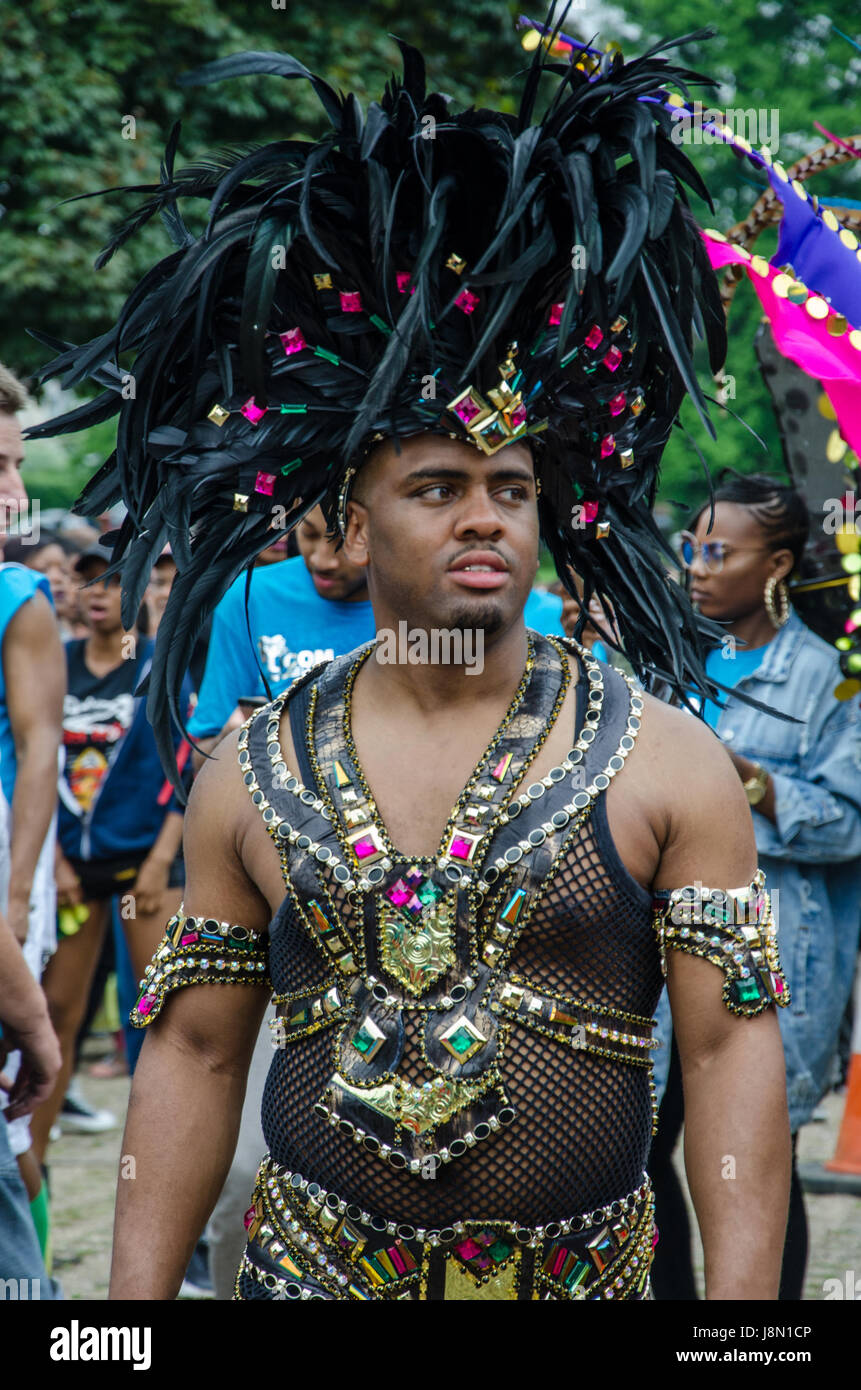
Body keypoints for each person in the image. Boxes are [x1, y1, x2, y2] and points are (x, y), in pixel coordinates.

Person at [31, 34, 792, 1302]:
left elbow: (726, 1052)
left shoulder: (667, 756)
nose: (484, 515)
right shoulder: (254, 769)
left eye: (510, 487)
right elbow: (200, 1058)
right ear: (349, 512)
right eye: (437, 487)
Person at [666, 470, 861, 1300]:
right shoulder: (668, 655)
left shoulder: (827, 678)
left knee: (758, 1160)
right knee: (639, 1149)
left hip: (769, 960)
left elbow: (849, 823)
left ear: (775, 565)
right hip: (657, 951)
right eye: (690, 549)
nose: (698, 568)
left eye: (719, 552)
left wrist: (748, 782)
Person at [28, 542, 191, 1163]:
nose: (100, 593)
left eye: (115, 582)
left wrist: (156, 865)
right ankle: (30, 1169)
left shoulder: (159, 665)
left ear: (142, 593)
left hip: (150, 865)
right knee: (57, 1011)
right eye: (88, 581)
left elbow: (185, 770)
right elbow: (27, 764)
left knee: (158, 1017)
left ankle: (164, 1165)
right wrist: (56, 861)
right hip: (69, 869)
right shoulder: (54, 663)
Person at [0, 364, 66, 1266]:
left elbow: (43, 747)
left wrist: (15, 901)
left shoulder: (18, 600)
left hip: (12, 870)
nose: (14, 497)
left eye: (15, 467)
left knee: (15, 1130)